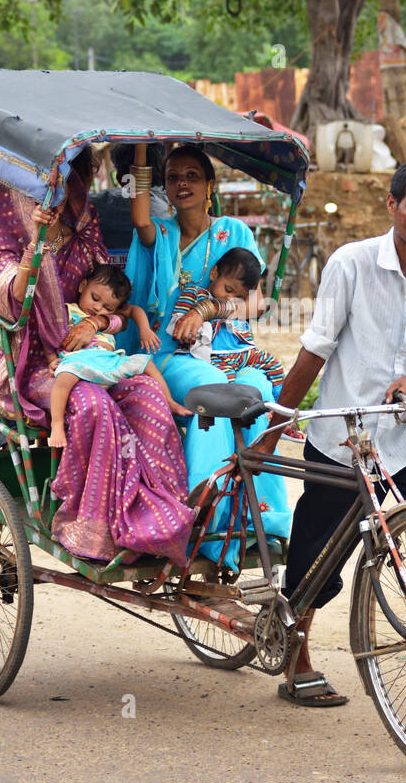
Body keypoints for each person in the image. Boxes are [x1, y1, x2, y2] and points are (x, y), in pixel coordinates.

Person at [256, 156, 406, 719]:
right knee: (317, 560)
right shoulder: (351, 264)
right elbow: (315, 350)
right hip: (344, 434)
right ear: (393, 206)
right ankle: (297, 661)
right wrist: (276, 428)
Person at [0, 149, 195, 567]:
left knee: (149, 395)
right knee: (94, 407)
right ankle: (98, 527)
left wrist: (98, 325)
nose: (62, 191)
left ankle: (159, 518)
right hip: (38, 362)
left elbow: (113, 307)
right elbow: (7, 303)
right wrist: (33, 250)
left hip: (96, 355)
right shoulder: (7, 228)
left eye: (70, 180)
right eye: (51, 181)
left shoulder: (84, 226)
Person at [120, 143, 291, 563]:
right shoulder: (159, 234)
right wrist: (143, 149)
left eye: (192, 176)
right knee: (213, 390)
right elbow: (140, 216)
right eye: (173, 177)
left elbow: (257, 304)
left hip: (232, 350)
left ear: (209, 185)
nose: (182, 184)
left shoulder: (235, 234)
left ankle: (261, 522)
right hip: (174, 355)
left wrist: (208, 308)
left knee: (254, 392)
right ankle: (206, 517)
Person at [44, 261, 191, 448]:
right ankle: (56, 424)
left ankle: (169, 401)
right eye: (95, 298)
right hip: (79, 361)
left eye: (108, 308)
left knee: (146, 363)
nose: (98, 309)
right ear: (83, 286)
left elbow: (133, 310)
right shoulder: (68, 311)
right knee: (63, 379)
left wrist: (145, 329)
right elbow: (48, 338)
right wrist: (52, 360)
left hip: (109, 362)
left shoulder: (110, 319)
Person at [169, 247, 285, 391]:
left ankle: (278, 409)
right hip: (214, 356)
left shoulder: (239, 307)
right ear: (214, 273)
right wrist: (189, 333)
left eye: (240, 297)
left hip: (244, 352)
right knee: (225, 387)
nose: (231, 299)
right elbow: (179, 323)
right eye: (228, 290)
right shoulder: (194, 294)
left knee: (274, 366)